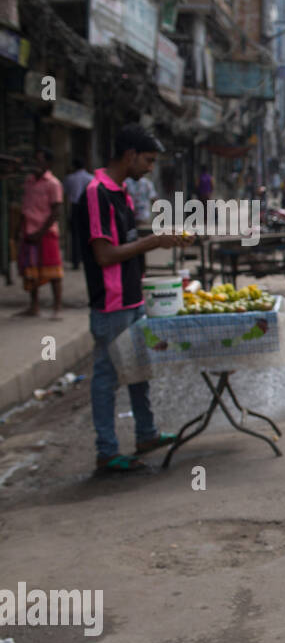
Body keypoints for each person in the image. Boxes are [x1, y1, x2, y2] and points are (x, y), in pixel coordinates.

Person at [75, 125, 190, 472]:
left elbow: (125, 240)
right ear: (129, 156)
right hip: (110, 303)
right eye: (149, 160)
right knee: (107, 377)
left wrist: (157, 237)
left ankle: (146, 432)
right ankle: (107, 451)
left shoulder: (121, 192)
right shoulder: (96, 193)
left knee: (140, 369)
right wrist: (153, 242)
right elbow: (105, 255)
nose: (151, 168)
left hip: (132, 296)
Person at [16, 148, 66, 318]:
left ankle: (57, 307)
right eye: (36, 161)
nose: (38, 165)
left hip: (46, 232)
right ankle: (34, 306)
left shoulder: (53, 183)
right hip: (29, 230)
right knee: (31, 271)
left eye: (41, 161)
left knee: (53, 271)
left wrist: (41, 232)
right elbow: (25, 207)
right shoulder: (29, 181)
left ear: (48, 163)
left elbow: (56, 210)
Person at [63, 157, 94, 270]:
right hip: (87, 207)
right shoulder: (90, 178)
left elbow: (65, 194)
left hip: (75, 207)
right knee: (88, 234)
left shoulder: (69, 178)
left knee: (75, 236)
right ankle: (86, 259)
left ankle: (75, 260)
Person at [123, 167, 157, 234]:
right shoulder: (126, 182)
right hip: (132, 217)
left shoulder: (147, 183)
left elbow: (154, 200)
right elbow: (154, 200)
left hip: (141, 217)